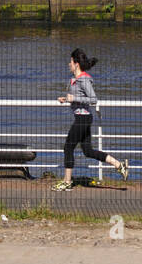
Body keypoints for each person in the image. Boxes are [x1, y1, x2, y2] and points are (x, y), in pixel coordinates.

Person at [53, 49, 129, 192]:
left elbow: (93, 99)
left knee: (68, 147)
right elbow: (80, 99)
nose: (68, 64)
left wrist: (73, 98)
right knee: (87, 151)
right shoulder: (75, 79)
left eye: (70, 61)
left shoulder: (84, 79)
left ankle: (67, 182)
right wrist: (67, 100)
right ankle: (119, 165)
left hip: (83, 118)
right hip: (82, 117)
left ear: (76, 64)